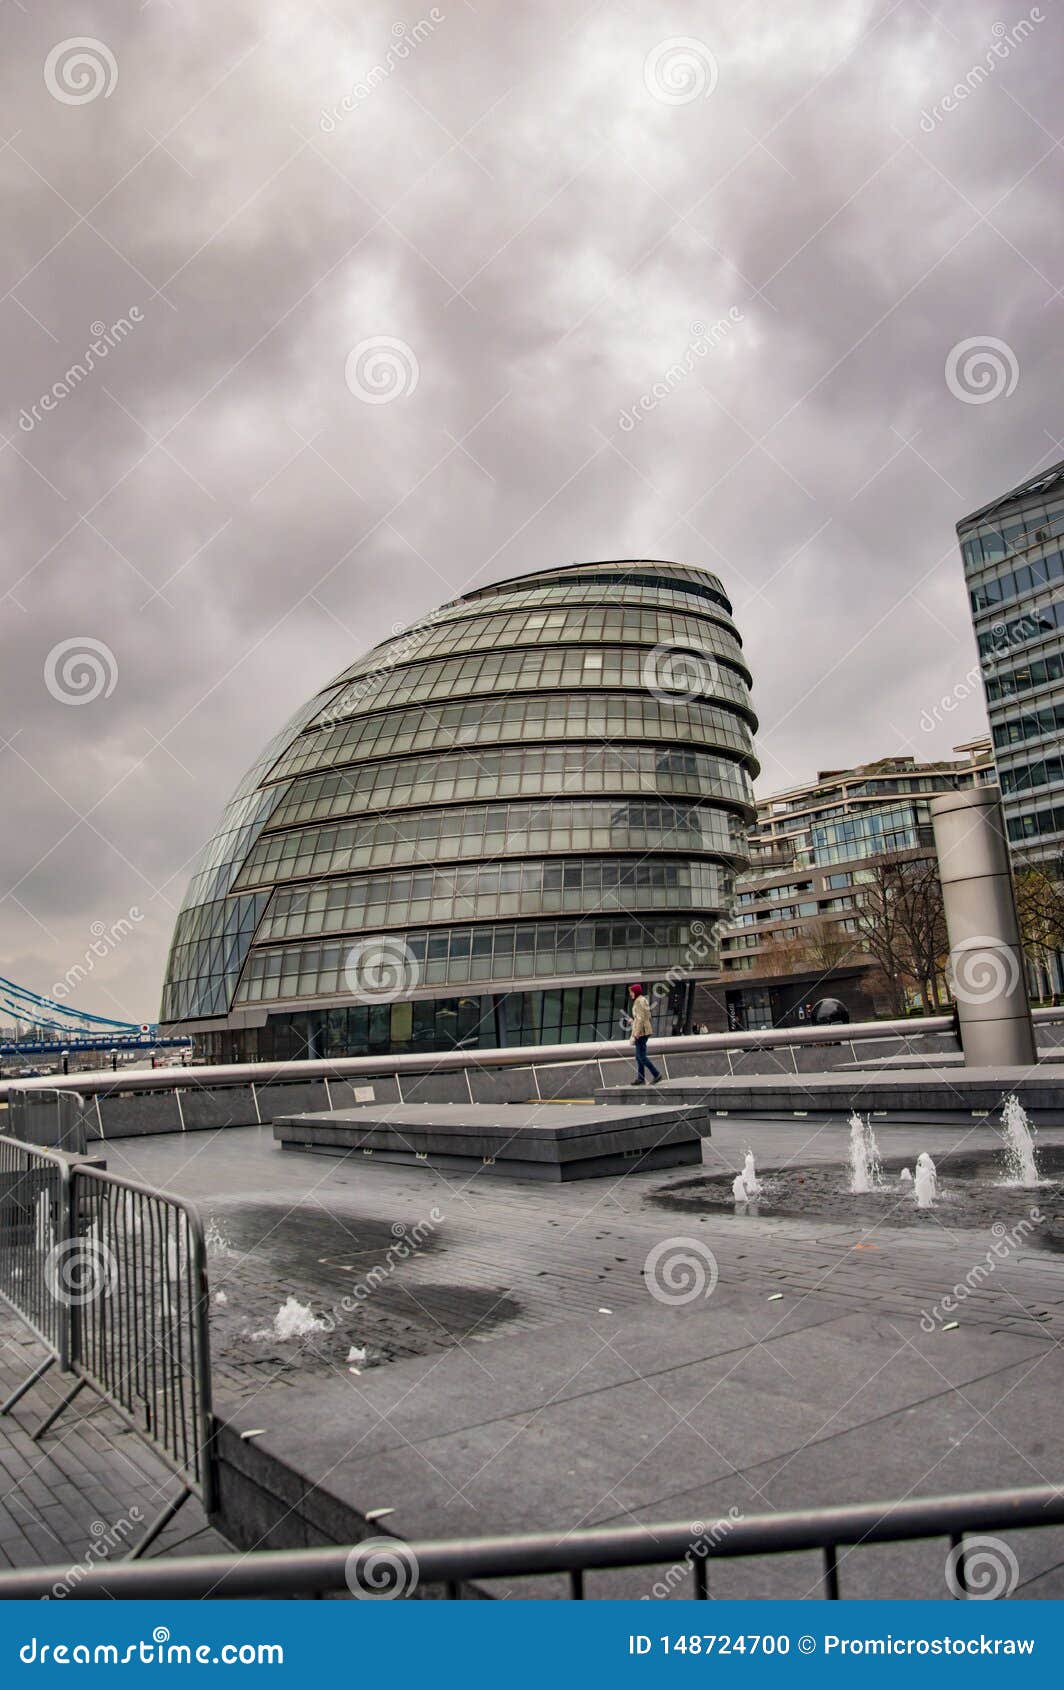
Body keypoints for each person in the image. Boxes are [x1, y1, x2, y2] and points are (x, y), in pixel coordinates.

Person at [628, 983, 662, 1085]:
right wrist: (633, 1021)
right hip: (643, 1031)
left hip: (642, 1032)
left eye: (631, 992)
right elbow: (645, 1017)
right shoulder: (642, 1000)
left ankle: (656, 1074)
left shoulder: (639, 1002)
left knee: (641, 1057)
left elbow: (641, 1019)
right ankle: (641, 1078)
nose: (630, 994)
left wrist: (636, 1033)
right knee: (639, 1057)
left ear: (636, 992)